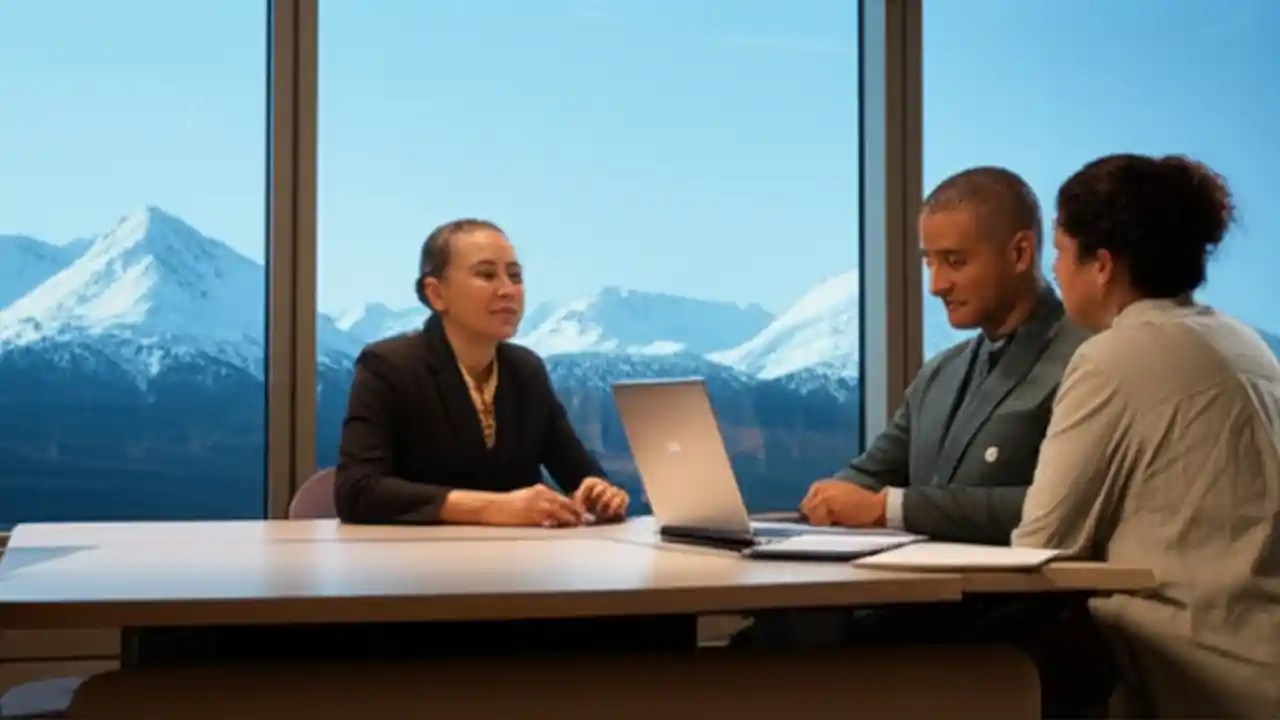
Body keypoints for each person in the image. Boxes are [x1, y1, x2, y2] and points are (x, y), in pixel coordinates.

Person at [1013, 154, 1280, 718]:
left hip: (1199, 670)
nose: (1054, 271)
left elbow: (1042, 542)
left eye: (1060, 251)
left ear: (1102, 265)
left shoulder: (1114, 357)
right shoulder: (1242, 342)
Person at [800, 166, 1088, 544]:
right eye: (929, 263)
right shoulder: (939, 374)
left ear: (1020, 253)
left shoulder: (1088, 361)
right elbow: (869, 476)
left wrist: (890, 509)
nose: (936, 286)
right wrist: (824, 501)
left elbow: (1066, 508)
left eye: (955, 261)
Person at [334, 218, 630, 526]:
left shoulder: (525, 370)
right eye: (487, 275)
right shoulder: (389, 366)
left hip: (519, 553)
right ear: (436, 294)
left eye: (515, 276)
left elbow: (577, 472)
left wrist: (599, 493)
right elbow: (357, 491)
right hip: (416, 553)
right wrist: (489, 508)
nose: (508, 290)